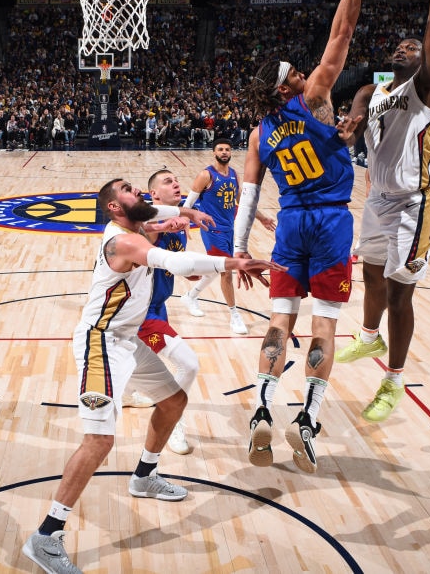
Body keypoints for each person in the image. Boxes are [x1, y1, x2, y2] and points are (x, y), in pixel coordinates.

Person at [22, 178, 284, 574]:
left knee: (174, 399)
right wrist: (233, 262)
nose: (138, 193)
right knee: (99, 440)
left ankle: (144, 476)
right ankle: (45, 535)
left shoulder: (135, 226)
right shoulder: (123, 242)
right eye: (129, 189)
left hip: (127, 338)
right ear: (113, 207)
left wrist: (186, 212)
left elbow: (156, 214)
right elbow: (177, 263)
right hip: (100, 342)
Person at [333, 0, 430, 423]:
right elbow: (355, 117)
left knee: (401, 295)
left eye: (414, 46)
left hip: (416, 200)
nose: (406, 47)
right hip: (379, 200)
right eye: (400, 45)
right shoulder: (374, 89)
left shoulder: (426, 90)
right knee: (369, 275)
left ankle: (394, 380)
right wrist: (347, 125)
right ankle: (367, 339)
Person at [233, 0, 363, 472]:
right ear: (289, 85)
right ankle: (307, 419)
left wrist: (241, 249)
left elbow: (248, 198)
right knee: (324, 324)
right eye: (297, 71)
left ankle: (262, 405)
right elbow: (343, 32)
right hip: (330, 223)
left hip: (289, 225)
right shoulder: (314, 97)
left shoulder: (256, 132)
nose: (307, 71)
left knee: (279, 321)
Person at [131, 169, 204, 454]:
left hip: (158, 305)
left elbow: (175, 262)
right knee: (189, 364)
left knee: (138, 362)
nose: (176, 184)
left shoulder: (179, 225)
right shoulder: (142, 227)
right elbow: (146, 244)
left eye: (176, 180)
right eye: (167, 182)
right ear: (154, 196)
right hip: (140, 313)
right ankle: (172, 420)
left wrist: (192, 273)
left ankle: (131, 393)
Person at [181, 138, 276, 334]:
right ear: (213, 152)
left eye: (227, 149)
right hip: (212, 230)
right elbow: (188, 205)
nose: (224, 152)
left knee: (216, 269)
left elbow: (243, 201)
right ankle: (234, 316)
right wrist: (184, 223)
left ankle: (191, 295)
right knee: (226, 272)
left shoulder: (233, 174)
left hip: (229, 229)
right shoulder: (206, 175)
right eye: (220, 149)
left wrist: (262, 218)